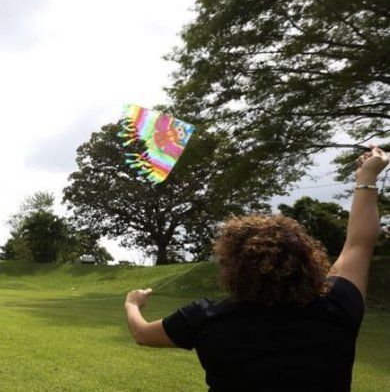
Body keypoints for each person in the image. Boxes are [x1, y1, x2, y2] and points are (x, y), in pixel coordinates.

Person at [124, 146, 388, 391]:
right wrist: (366, 179)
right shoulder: (337, 306)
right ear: (307, 259)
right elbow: (358, 246)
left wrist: (133, 304)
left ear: (232, 267)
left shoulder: (206, 318)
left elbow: (142, 333)